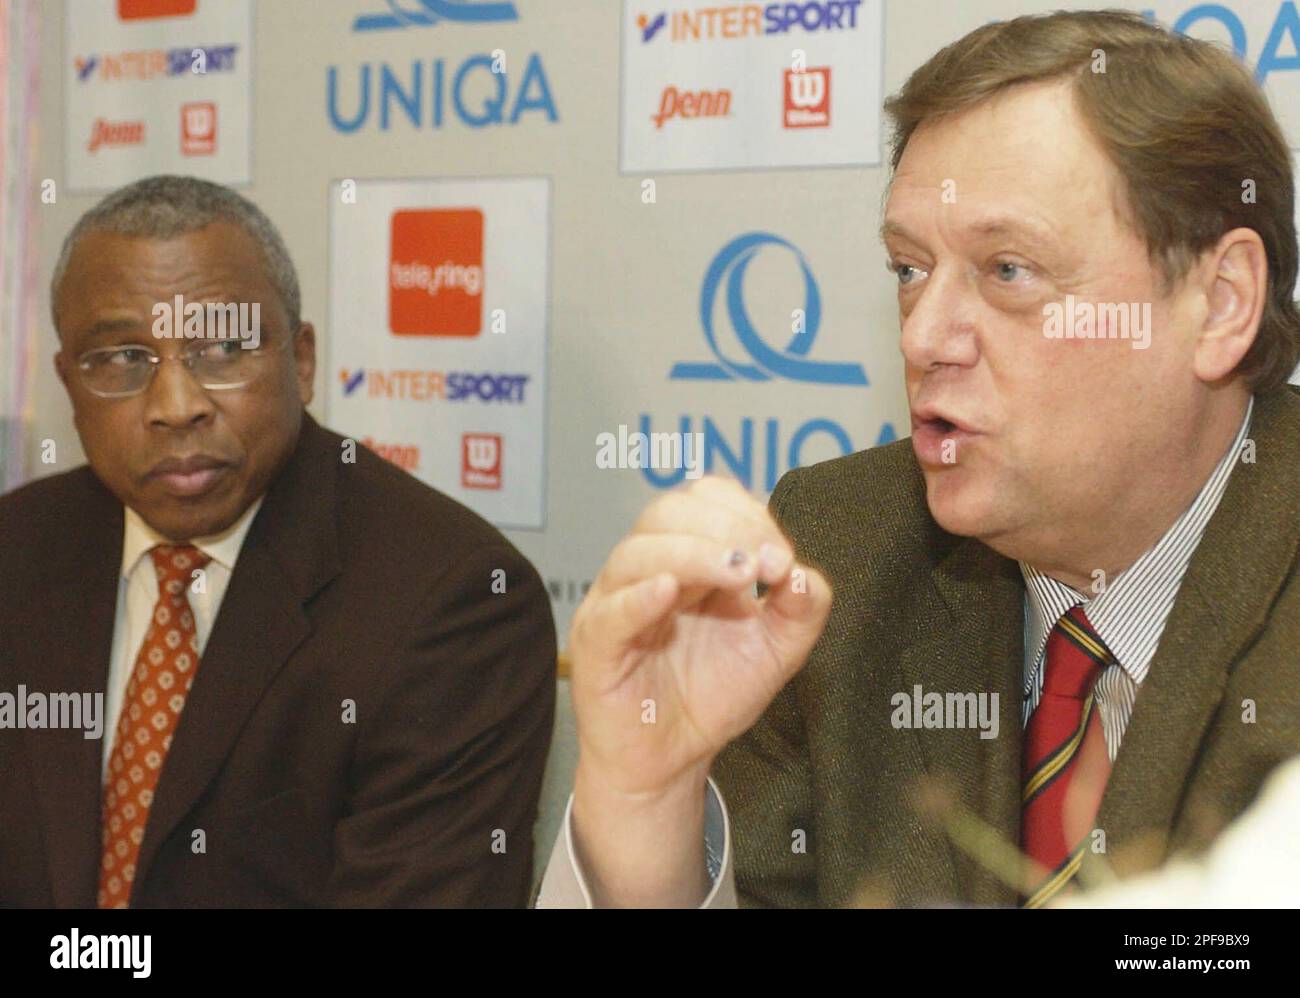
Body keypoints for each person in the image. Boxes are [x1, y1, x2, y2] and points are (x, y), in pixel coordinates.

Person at [537, 9, 1300, 907]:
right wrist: (647, 797)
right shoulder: (838, 549)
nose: (927, 335)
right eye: (909, 270)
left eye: (1008, 271)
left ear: (1218, 303)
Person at [0, 175, 556, 907]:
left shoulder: (450, 602)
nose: (176, 407)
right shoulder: (19, 549)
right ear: (69, 383)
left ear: (301, 361)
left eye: (223, 349)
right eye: (123, 360)